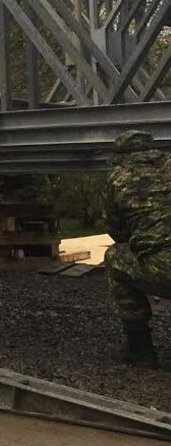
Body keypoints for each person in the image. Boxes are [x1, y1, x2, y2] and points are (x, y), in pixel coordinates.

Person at [103, 130, 171, 367]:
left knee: (114, 257)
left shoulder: (118, 177)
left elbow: (116, 229)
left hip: (162, 265)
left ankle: (141, 350)